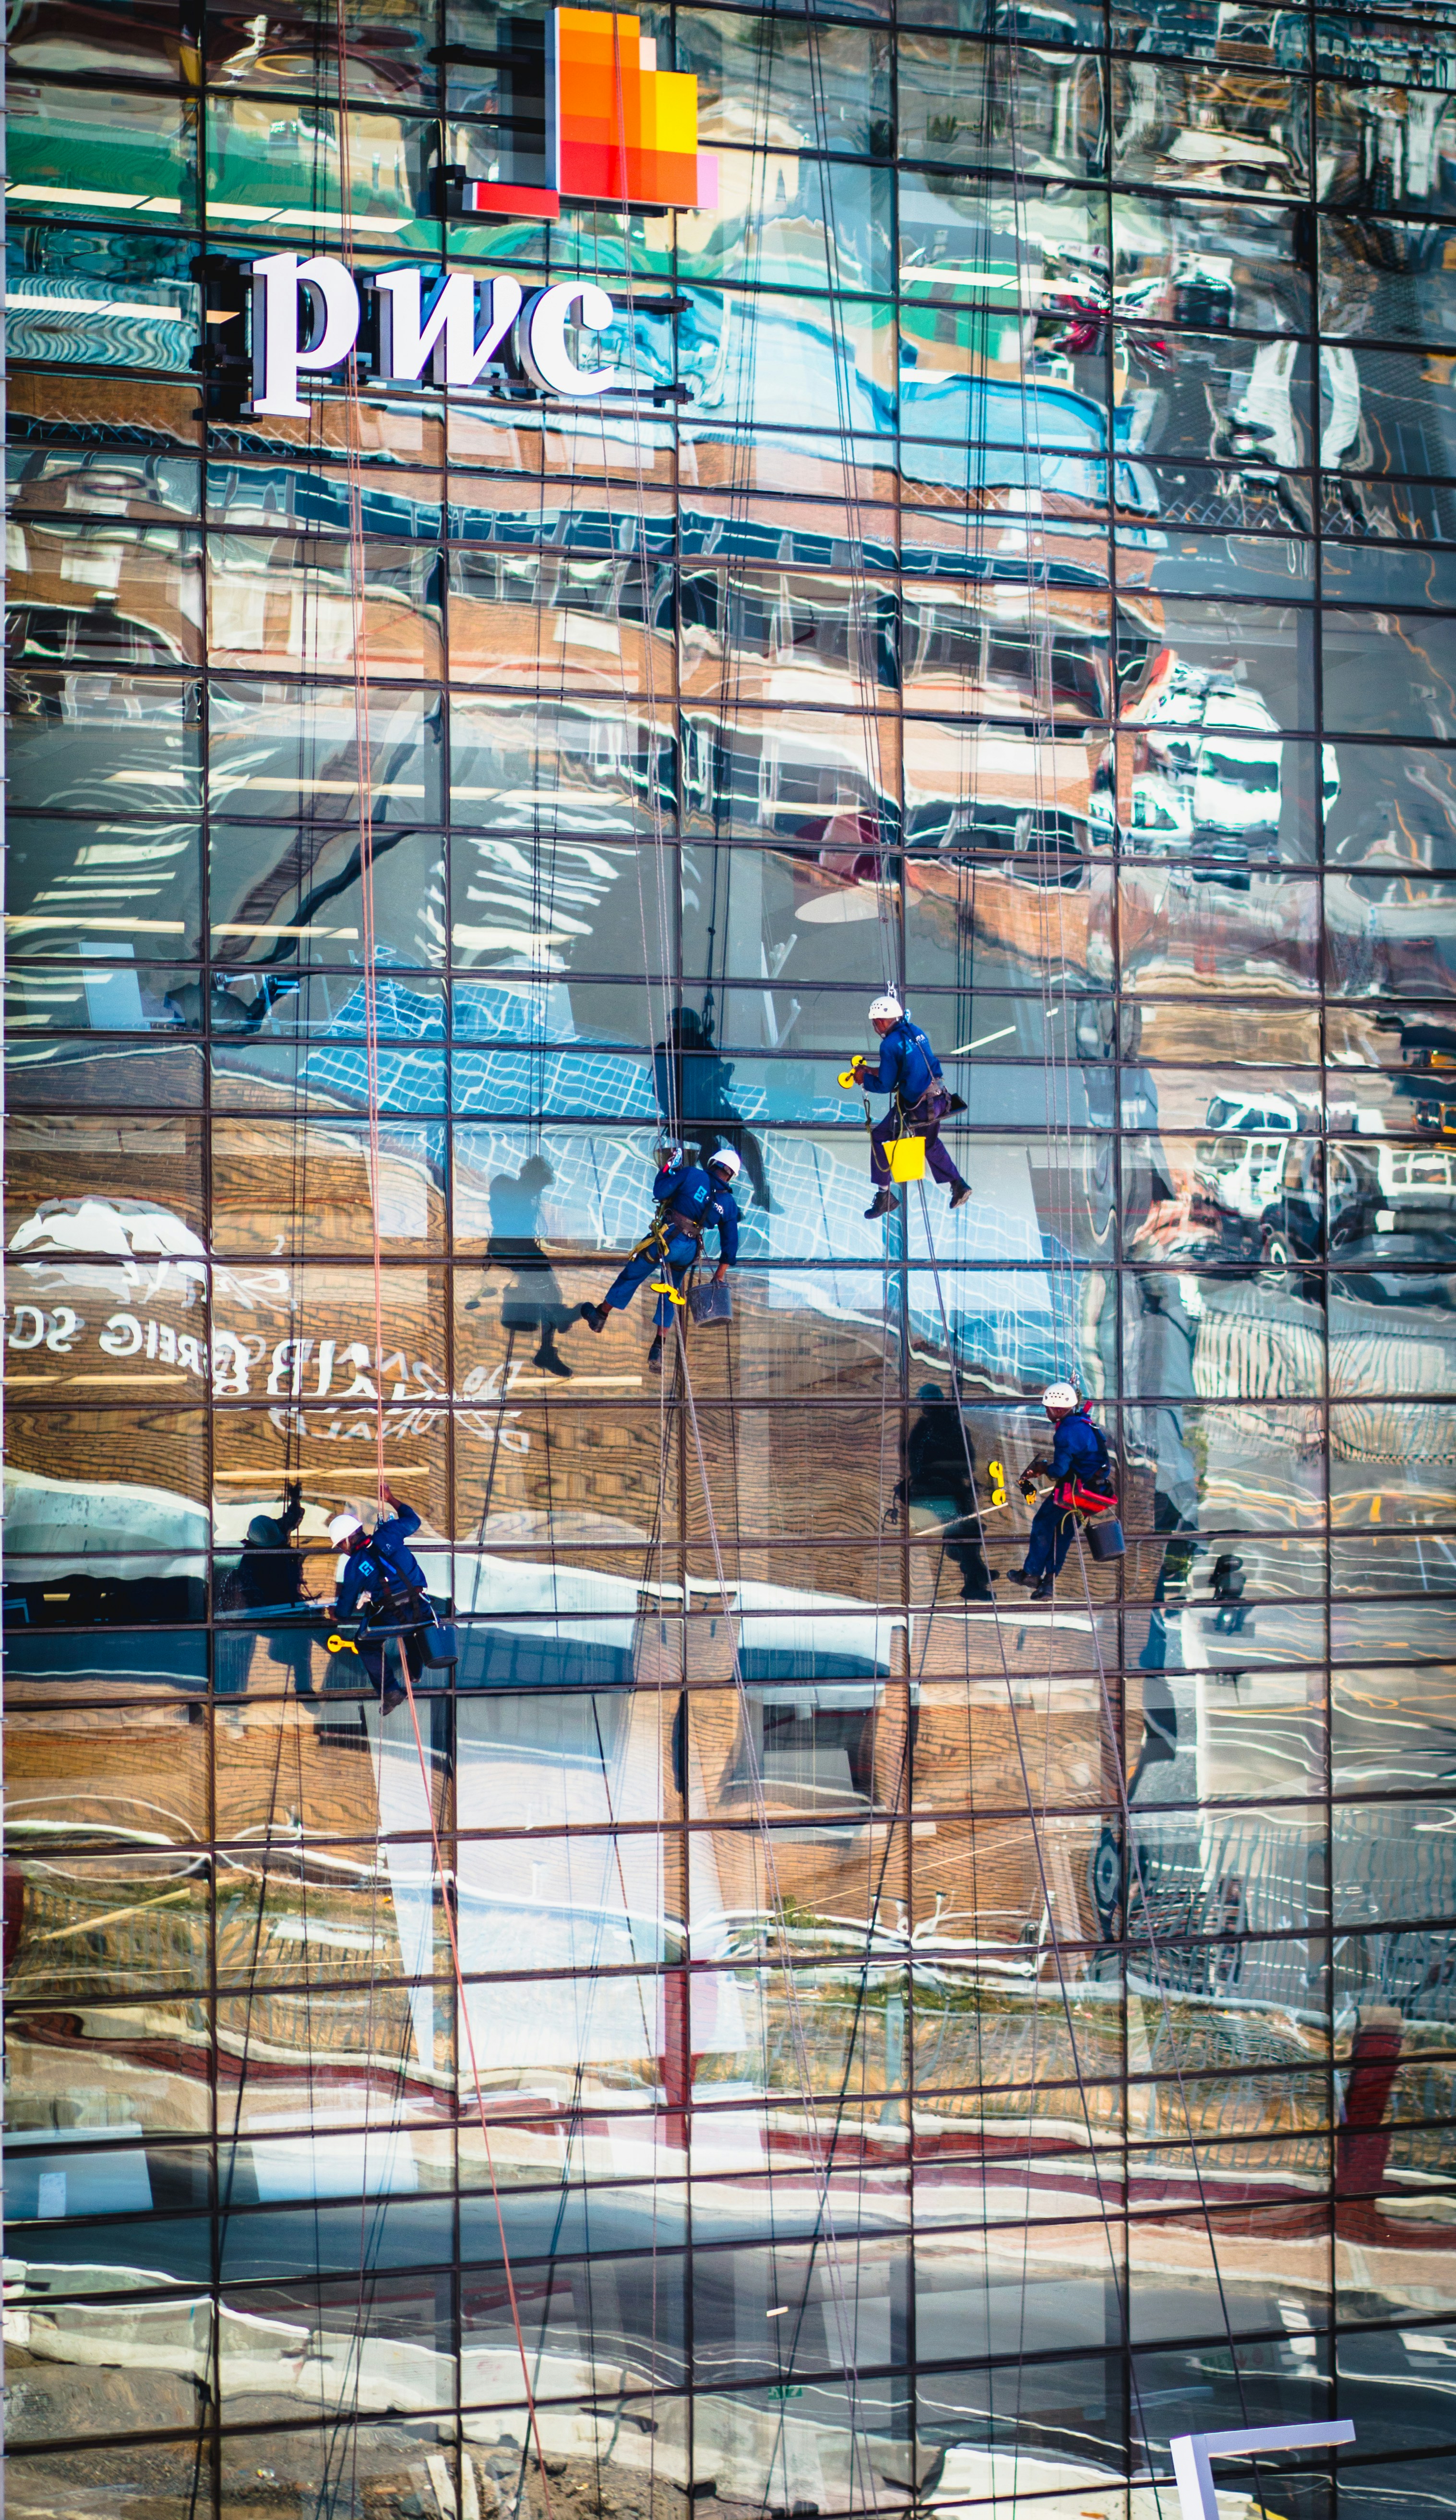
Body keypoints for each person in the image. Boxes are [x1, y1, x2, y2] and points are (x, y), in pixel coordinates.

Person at [580, 1142, 740, 1373]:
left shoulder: (691, 1175)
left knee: (633, 1274)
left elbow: (660, 1192)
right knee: (670, 1291)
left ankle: (600, 1315)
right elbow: (731, 1245)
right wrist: (719, 1275)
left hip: (668, 1238)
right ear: (730, 1176)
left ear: (713, 1163)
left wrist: (667, 1169)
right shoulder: (729, 1204)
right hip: (688, 1248)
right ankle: (658, 1347)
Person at [852, 995, 970, 1222]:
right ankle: (959, 1184)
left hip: (917, 1106)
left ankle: (884, 1196)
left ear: (882, 1021)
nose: (875, 1027)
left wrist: (863, 1080)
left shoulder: (888, 1045)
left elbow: (887, 1085)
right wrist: (870, 1070)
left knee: (879, 1136)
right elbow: (905, 1068)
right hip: (938, 1100)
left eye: (875, 1022)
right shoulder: (915, 1031)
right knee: (930, 1143)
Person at [653, 1004, 772, 1212]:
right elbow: (663, 1091)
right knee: (711, 1148)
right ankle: (720, 1201)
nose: (684, 1035)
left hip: (711, 1109)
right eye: (683, 1031)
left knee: (746, 1140)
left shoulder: (704, 1047)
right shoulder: (666, 1053)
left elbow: (718, 1077)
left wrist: (722, 1071)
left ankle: (761, 1191)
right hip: (687, 1115)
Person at [1007, 1383, 1117, 1602]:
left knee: (1042, 1524)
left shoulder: (1066, 1432)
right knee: (1063, 1535)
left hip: (1074, 1492)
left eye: (1048, 1408)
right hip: (1093, 1491)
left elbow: (1059, 1471)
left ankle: (1031, 1573)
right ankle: (1048, 1584)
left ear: (1058, 1410)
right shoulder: (1085, 1423)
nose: (1046, 1412)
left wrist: (1042, 1469)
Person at [468, 1154, 573, 1378]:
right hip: (509, 1248)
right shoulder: (504, 1183)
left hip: (523, 1250)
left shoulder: (525, 1193)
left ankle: (547, 1348)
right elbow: (515, 1200)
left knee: (551, 1294)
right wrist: (534, 1187)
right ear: (529, 1177)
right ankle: (550, 1337)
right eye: (538, 1185)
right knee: (549, 1295)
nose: (538, 1191)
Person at [330, 1487, 432, 1712]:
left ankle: (391, 1692)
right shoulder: (389, 1533)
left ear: (347, 1541)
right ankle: (415, 1670)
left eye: (340, 1545)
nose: (342, 1550)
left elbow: (345, 1610)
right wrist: (391, 1499)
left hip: (391, 1616)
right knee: (413, 1629)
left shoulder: (354, 1566)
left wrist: (333, 1613)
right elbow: (413, 1521)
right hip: (422, 1607)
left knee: (365, 1644)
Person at [895, 1382, 993, 1604]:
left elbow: (963, 1459)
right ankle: (974, 1573)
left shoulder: (936, 1428)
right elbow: (918, 1464)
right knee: (966, 1530)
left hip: (944, 1492)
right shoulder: (940, 1428)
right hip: (936, 1494)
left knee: (968, 1530)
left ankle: (974, 1574)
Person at [226, 1481, 321, 1698]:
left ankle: (305, 1688)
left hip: (288, 1605)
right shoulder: (250, 1564)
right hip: (276, 1611)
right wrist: (270, 1618)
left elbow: (291, 1518)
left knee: (307, 1639)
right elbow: (253, 1597)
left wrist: (295, 1499)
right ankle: (304, 1689)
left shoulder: (272, 1533)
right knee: (304, 1642)